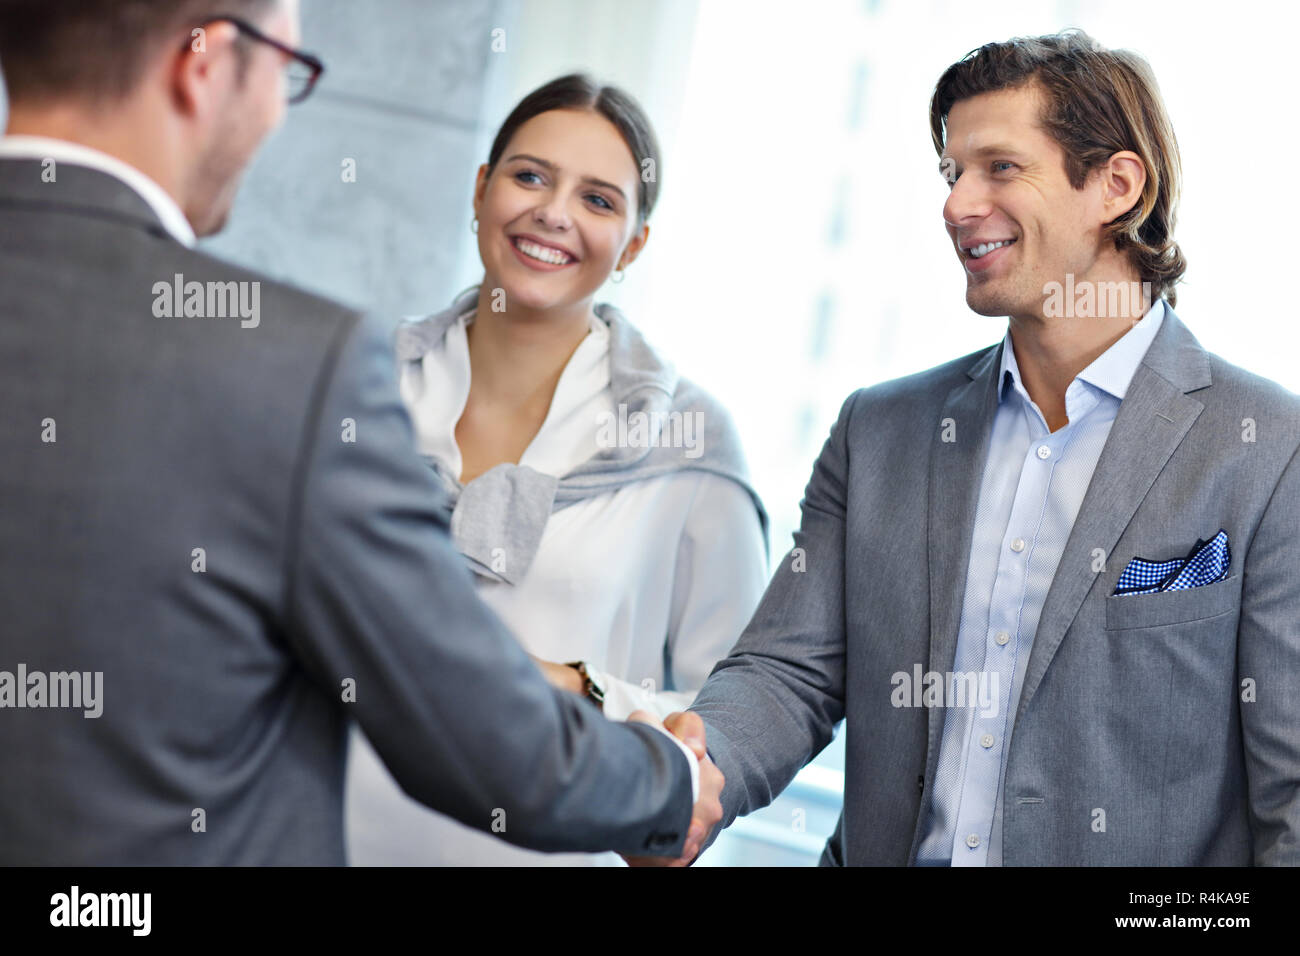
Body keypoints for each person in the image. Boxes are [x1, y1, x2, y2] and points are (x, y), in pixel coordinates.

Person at [0, 0, 722, 865]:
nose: (274, 112)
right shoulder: (300, 370)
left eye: (597, 197)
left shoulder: (693, 442)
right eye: (283, 72)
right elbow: (483, 736)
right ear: (206, 63)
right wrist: (666, 782)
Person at [654, 30, 1300, 865]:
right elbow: (790, 671)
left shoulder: (1268, 450)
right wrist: (689, 773)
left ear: (1116, 184)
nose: (957, 205)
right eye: (951, 172)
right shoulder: (880, 430)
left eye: (1000, 167)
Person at [345, 74, 769, 866]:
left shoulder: (689, 439)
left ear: (635, 242)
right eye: (530, 176)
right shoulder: (356, 388)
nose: (554, 212)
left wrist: (581, 688)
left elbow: (737, 715)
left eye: (600, 200)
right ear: (482, 189)